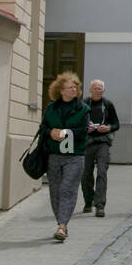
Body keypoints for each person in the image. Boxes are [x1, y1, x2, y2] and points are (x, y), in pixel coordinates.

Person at [42, 71, 89, 241]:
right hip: (54, 155)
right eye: (70, 87)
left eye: (76, 87)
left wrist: (66, 133)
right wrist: (51, 132)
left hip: (75, 156)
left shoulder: (83, 109)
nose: (74, 90)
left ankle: (62, 226)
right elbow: (43, 128)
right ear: (61, 90)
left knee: (67, 189)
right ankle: (61, 222)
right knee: (55, 191)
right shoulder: (51, 108)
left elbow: (84, 132)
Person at [82, 79, 119, 217]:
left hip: (103, 142)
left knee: (102, 171)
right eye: (94, 88)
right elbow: (77, 123)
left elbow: (116, 124)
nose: (97, 91)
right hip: (87, 142)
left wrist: (108, 128)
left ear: (103, 91)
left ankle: (100, 205)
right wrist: (87, 127)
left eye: (99, 89)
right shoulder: (84, 104)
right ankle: (88, 200)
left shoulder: (108, 104)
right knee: (86, 173)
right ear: (90, 90)